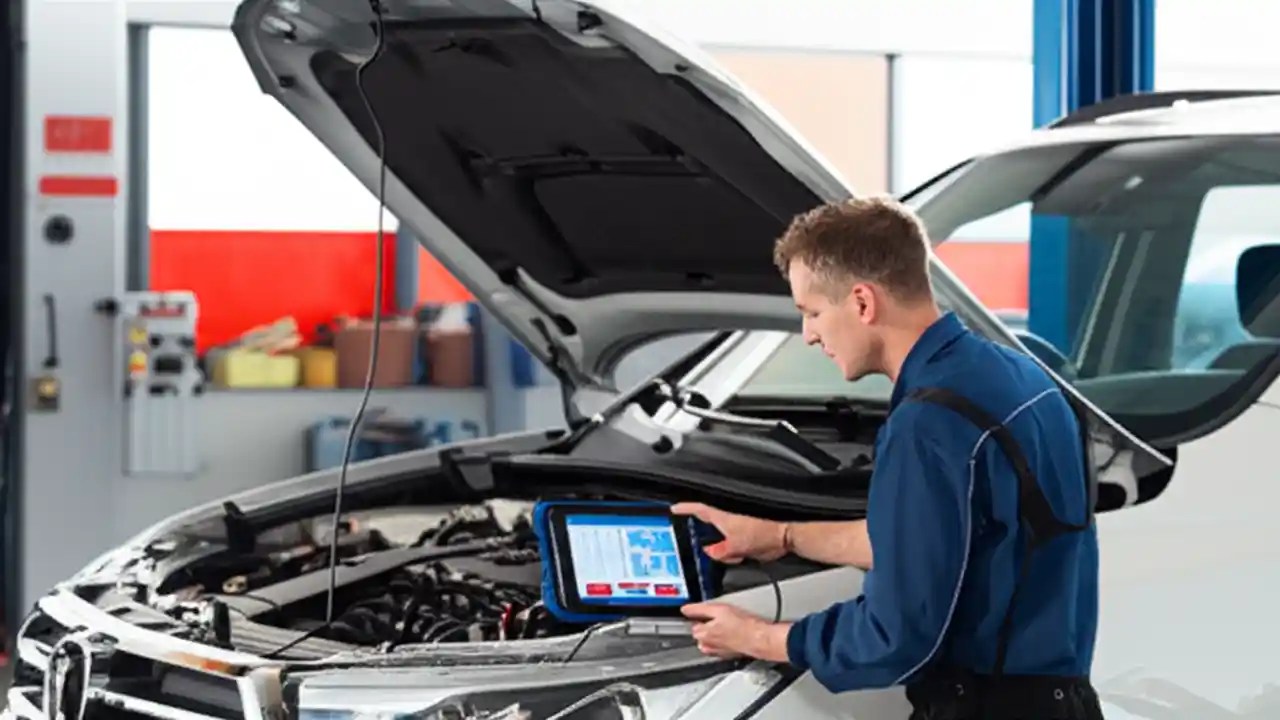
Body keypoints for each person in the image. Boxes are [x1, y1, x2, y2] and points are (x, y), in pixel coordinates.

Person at [674, 196, 1104, 720]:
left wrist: (761, 637)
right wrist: (779, 536)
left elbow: (895, 636)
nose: (808, 334)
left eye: (811, 312)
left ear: (861, 302)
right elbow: (935, 542)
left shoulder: (930, 425)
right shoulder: (1019, 376)